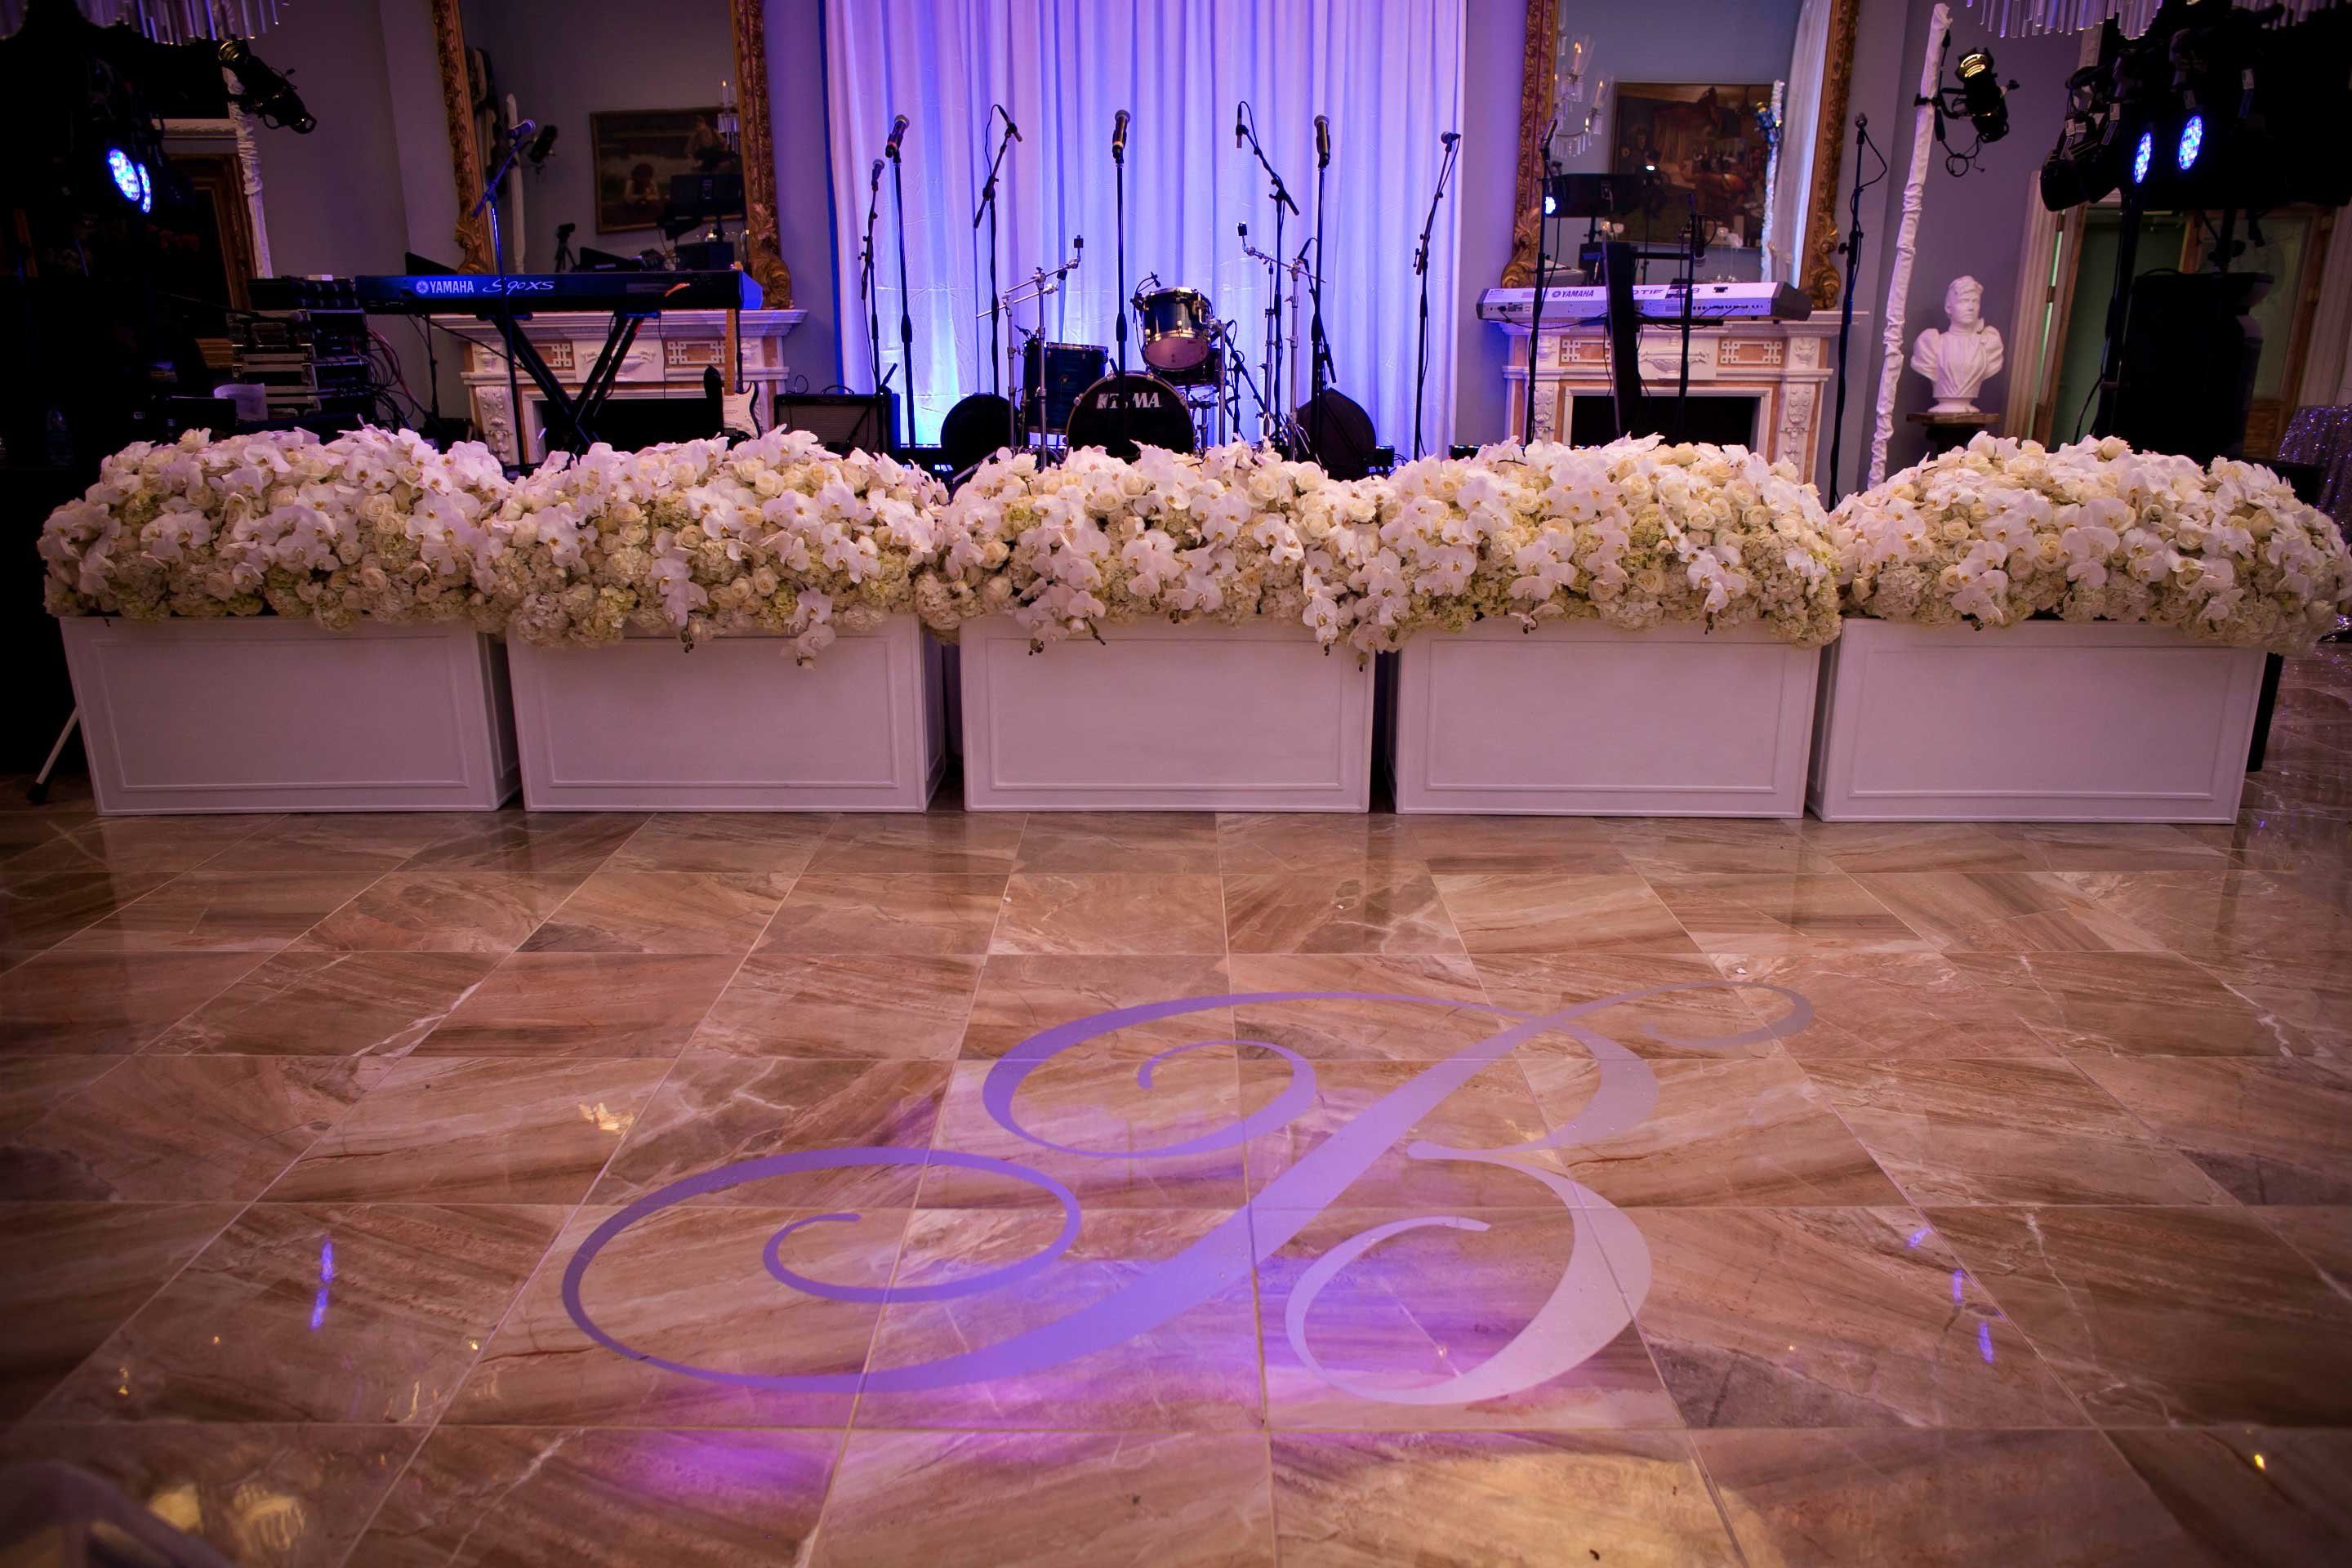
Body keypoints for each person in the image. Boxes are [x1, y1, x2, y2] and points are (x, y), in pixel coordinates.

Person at [1910, 274, 2006, 414]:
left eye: (1975, 302)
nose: (1971, 307)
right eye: (1964, 301)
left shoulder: (1989, 343)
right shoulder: (1931, 343)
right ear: (1949, 307)